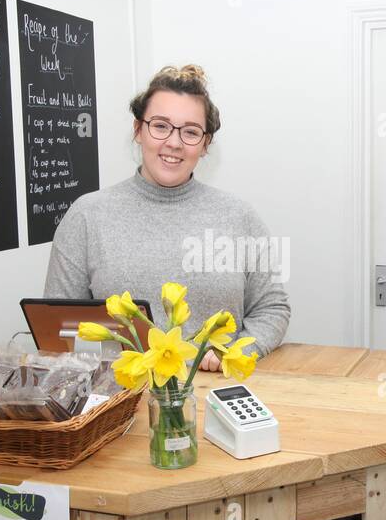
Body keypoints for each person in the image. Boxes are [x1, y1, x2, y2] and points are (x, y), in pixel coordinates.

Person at [44, 64, 289, 368]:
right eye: (160, 126)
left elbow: (272, 308)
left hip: (218, 393)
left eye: (190, 132)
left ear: (205, 144)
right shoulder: (86, 216)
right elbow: (56, 326)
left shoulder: (239, 217)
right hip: (120, 402)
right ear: (138, 130)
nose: (173, 143)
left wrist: (235, 353)